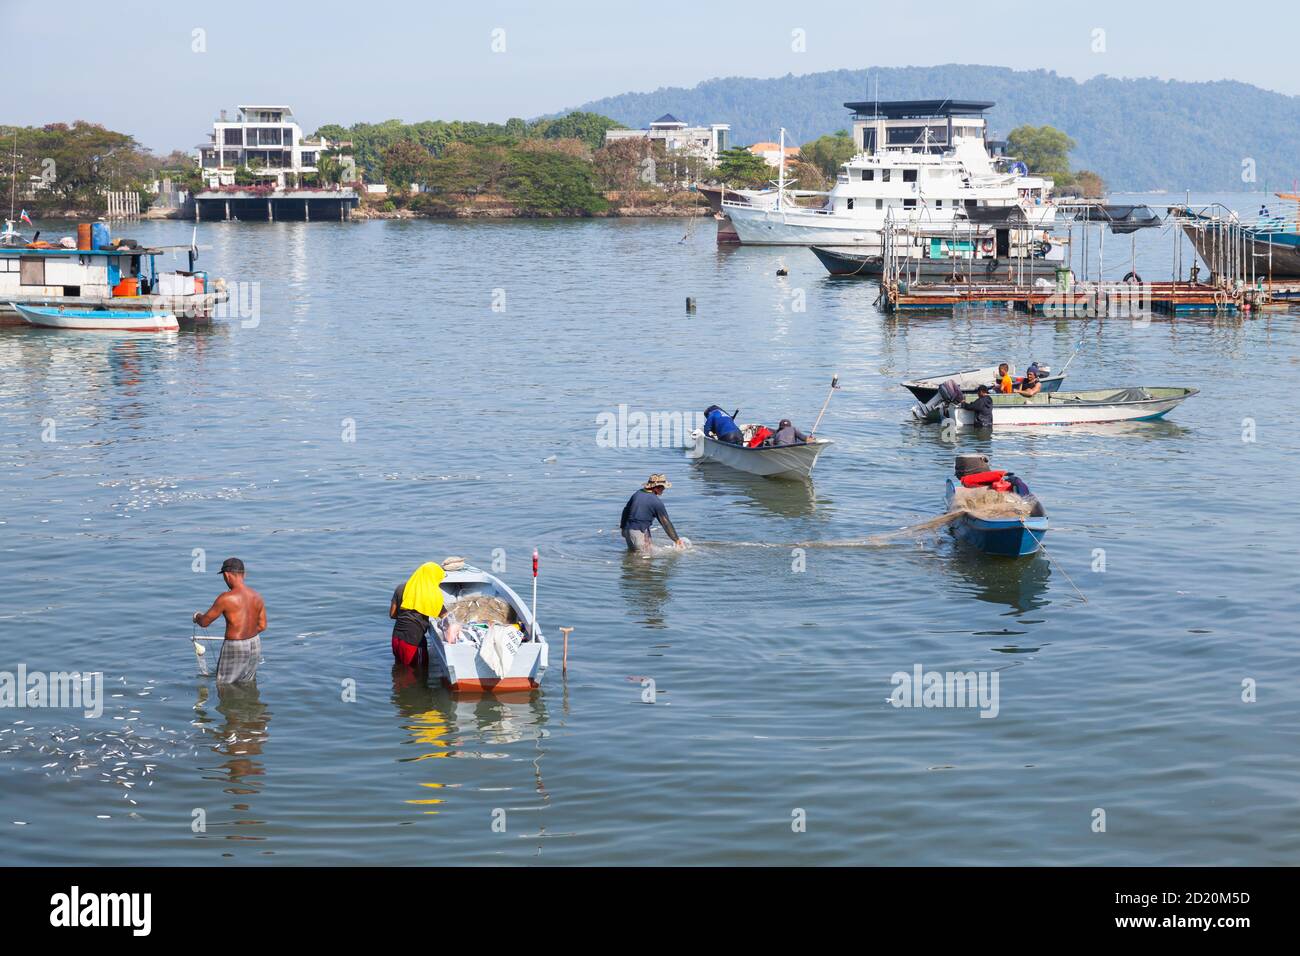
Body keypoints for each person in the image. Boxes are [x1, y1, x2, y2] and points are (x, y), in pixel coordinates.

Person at [193, 557, 267, 684]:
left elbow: (205, 622)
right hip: (255, 643)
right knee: (247, 683)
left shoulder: (226, 598)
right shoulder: (257, 596)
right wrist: (247, 636)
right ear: (244, 574)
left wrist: (197, 616)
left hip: (235, 646)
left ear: (227, 575)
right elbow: (262, 625)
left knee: (225, 685)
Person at [390, 561, 448, 668]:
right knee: (418, 674)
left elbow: (392, 614)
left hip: (396, 638)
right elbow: (446, 618)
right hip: (414, 642)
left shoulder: (401, 588)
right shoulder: (432, 595)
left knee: (400, 669)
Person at [620, 474, 685, 553]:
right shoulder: (656, 502)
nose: (664, 489)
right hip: (639, 534)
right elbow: (665, 523)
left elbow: (625, 511)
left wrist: (623, 527)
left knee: (633, 556)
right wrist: (676, 539)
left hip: (628, 531)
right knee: (644, 562)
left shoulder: (637, 493)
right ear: (656, 488)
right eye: (663, 487)